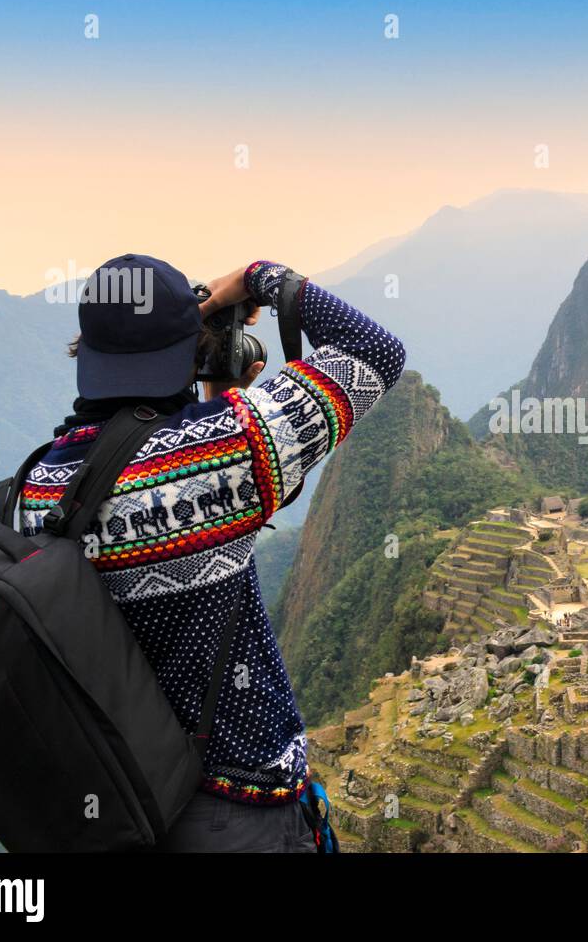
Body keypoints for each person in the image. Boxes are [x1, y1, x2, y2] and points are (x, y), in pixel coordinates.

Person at [23, 255, 404, 851]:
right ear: (188, 349)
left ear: (87, 355)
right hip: (236, 810)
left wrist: (213, 391)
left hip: (120, 806)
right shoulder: (231, 448)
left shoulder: (37, 488)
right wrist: (256, 278)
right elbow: (372, 350)